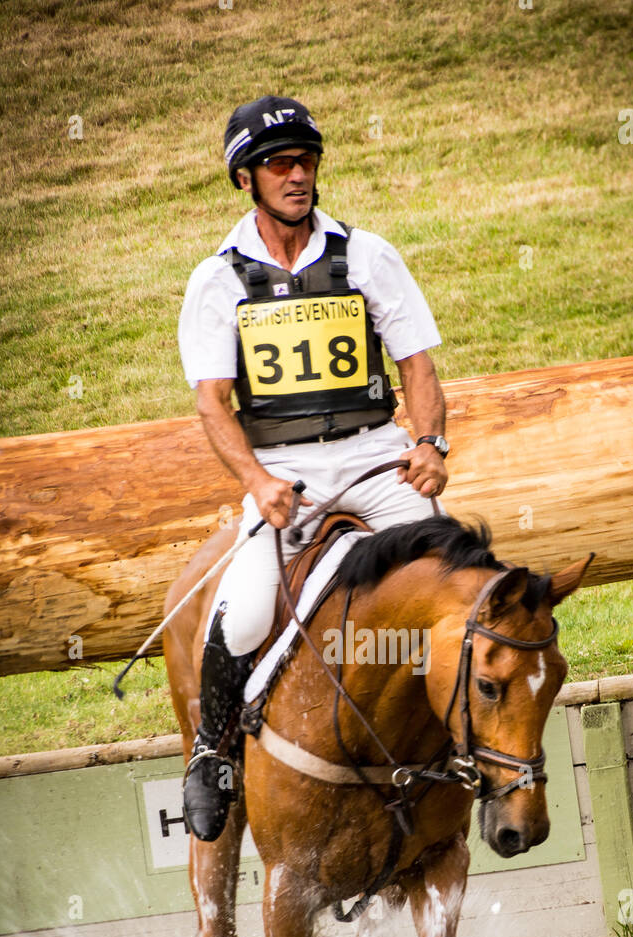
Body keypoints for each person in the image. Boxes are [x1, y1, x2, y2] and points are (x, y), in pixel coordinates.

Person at [177, 95, 450, 842]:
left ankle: (470, 747)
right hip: (283, 471)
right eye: (279, 165)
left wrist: (430, 445)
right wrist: (258, 483)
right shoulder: (218, 280)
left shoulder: (369, 255)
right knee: (248, 604)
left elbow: (419, 366)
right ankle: (211, 755)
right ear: (246, 180)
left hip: (372, 458)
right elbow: (212, 403)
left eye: (306, 162)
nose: (297, 176)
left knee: (454, 578)